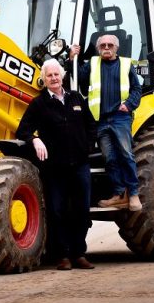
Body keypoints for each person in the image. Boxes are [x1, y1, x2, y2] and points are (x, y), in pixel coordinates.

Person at [16, 58, 97, 270]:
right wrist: (35, 140)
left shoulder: (76, 98)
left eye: (56, 74)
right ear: (44, 79)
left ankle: (79, 253)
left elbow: (91, 125)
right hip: (55, 167)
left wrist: (87, 147)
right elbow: (22, 130)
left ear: (62, 76)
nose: (53, 78)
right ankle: (63, 256)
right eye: (49, 75)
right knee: (57, 210)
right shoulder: (39, 104)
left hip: (80, 164)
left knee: (82, 210)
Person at [70, 34, 142, 211]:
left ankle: (133, 194)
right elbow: (79, 77)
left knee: (126, 155)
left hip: (120, 118)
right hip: (100, 120)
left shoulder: (126, 64)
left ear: (116, 47)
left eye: (110, 45)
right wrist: (72, 59)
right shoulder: (93, 64)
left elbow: (136, 88)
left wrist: (129, 105)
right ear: (98, 48)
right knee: (109, 159)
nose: (107, 48)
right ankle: (119, 194)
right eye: (103, 45)